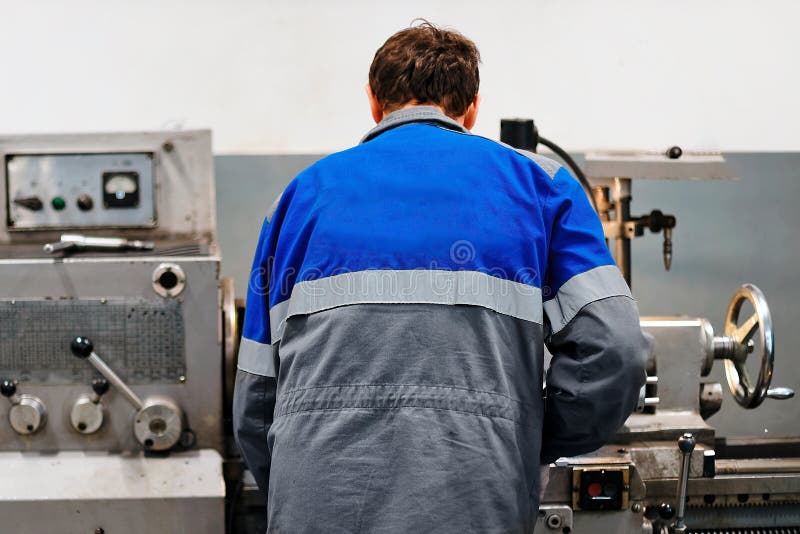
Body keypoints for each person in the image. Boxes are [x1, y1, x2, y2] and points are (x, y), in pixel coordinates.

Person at [233, 21, 649, 533]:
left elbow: (255, 398)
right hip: (475, 500)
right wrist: (528, 435)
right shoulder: (542, 186)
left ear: (373, 102)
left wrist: (302, 488)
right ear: (472, 109)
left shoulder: (297, 200)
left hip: (316, 506)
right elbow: (618, 351)